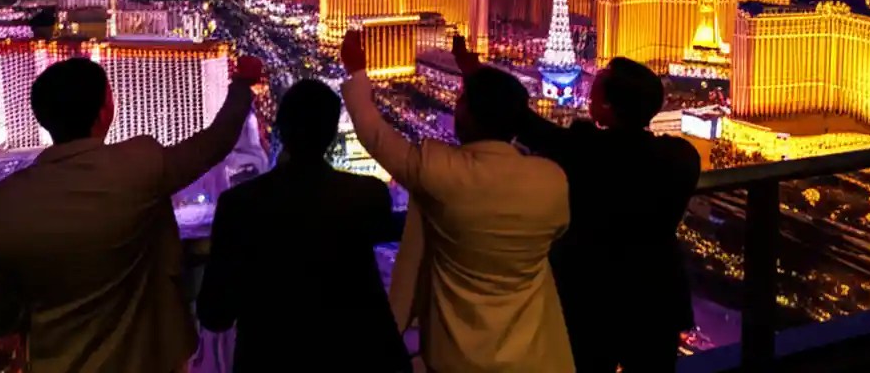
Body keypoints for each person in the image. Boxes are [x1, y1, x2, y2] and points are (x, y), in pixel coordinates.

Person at [0, 54, 264, 373]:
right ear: (105, 112)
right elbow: (214, 143)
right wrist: (241, 84)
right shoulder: (140, 165)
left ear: (42, 117)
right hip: (150, 361)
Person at [459, 37, 700, 373]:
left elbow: (524, 123)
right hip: (656, 294)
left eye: (596, 89)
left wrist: (475, 75)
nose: (588, 92)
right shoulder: (680, 156)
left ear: (609, 107)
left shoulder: (586, 151)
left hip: (593, 296)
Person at [340, 30, 573, 373]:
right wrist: (474, 74)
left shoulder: (437, 170)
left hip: (456, 355)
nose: (456, 106)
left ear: (468, 117)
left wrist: (357, 71)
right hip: (535, 354)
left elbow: (374, 132)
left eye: (462, 102)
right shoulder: (552, 182)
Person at [197, 78, 410, 373]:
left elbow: (215, 313)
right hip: (355, 357)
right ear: (333, 133)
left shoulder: (240, 205)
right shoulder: (366, 195)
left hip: (270, 358)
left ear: (280, 129)